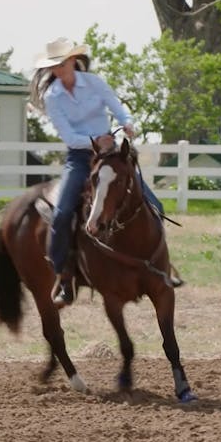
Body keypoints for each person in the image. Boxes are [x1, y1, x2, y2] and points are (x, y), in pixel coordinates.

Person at [28, 37, 171, 305]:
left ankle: (161, 267)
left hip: (110, 156)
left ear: (73, 61)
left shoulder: (94, 83)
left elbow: (118, 108)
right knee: (61, 215)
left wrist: (127, 123)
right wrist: (96, 140)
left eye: (62, 63)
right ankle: (63, 276)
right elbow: (70, 138)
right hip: (81, 157)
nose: (58, 69)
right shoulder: (53, 96)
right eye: (54, 65)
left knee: (155, 205)